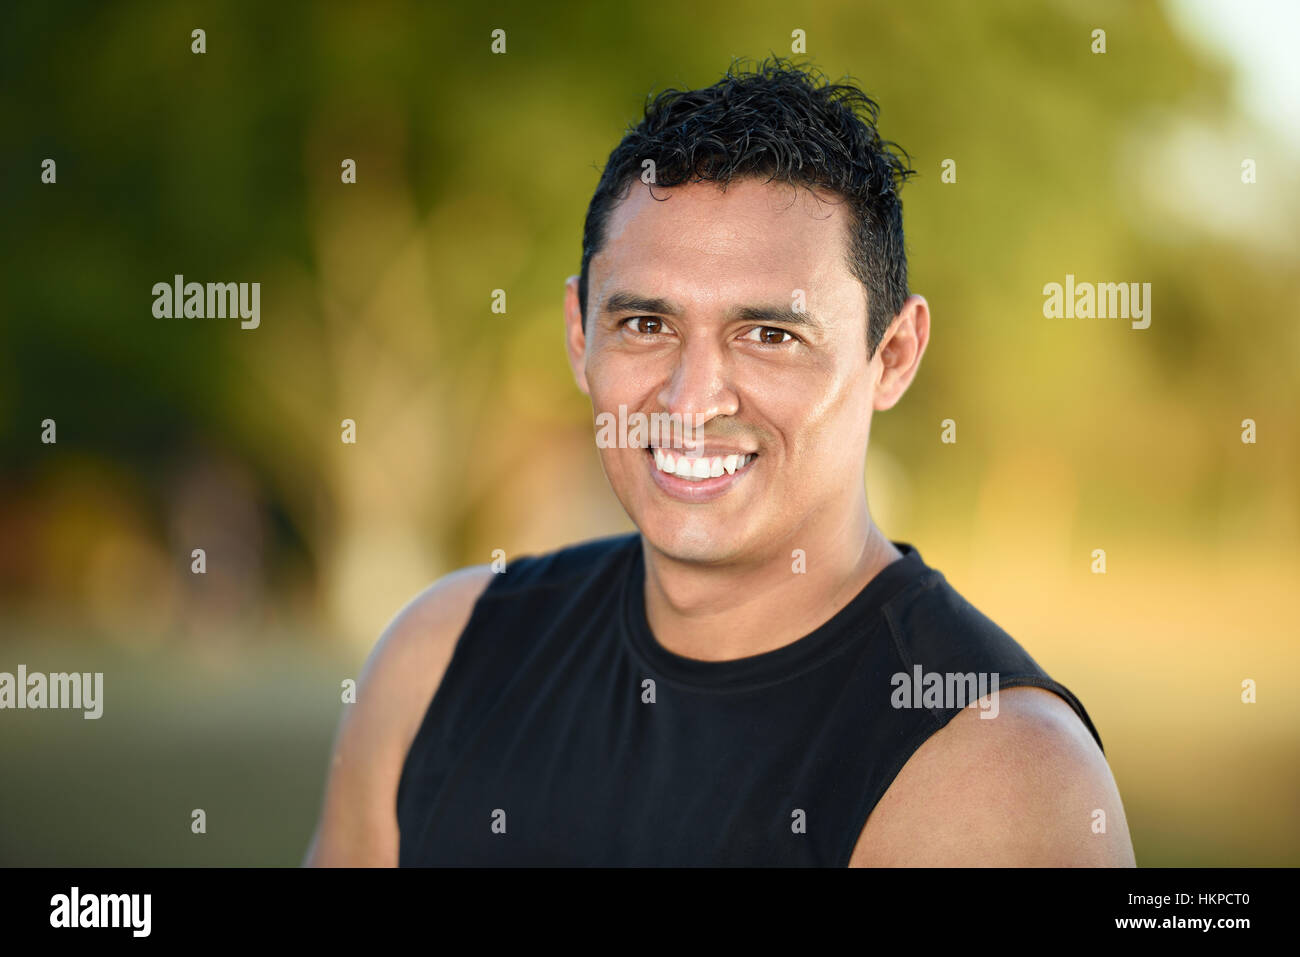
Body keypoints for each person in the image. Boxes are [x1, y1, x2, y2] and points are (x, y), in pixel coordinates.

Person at [305, 56, 1135, 867]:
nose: (691, 399)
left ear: (893, 355)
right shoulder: (440, 658)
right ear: (577, 332)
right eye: (645, 325)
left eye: (769, 334)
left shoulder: (994, 775)